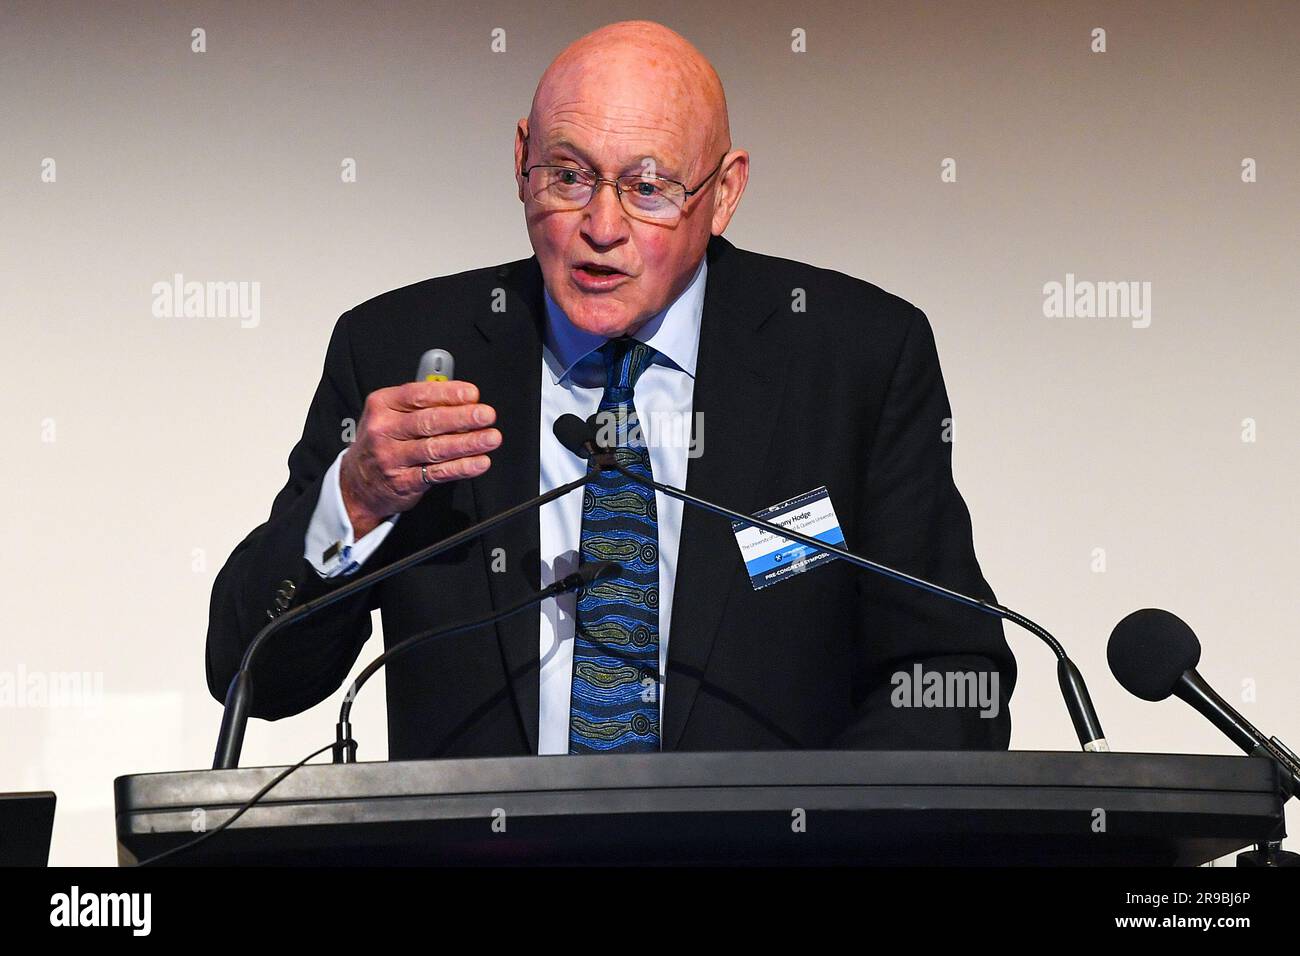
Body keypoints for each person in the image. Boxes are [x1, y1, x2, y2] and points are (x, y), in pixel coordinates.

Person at [206, 20, 1016, 759]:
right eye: (568, 176)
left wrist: (809, 831)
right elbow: (256, 677)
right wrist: (352, 500)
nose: (602, 226)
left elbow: (955, 678)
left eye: (650, 187)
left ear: (724, 193)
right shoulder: (401, 351)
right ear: (520, 162)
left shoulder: (853, 359)